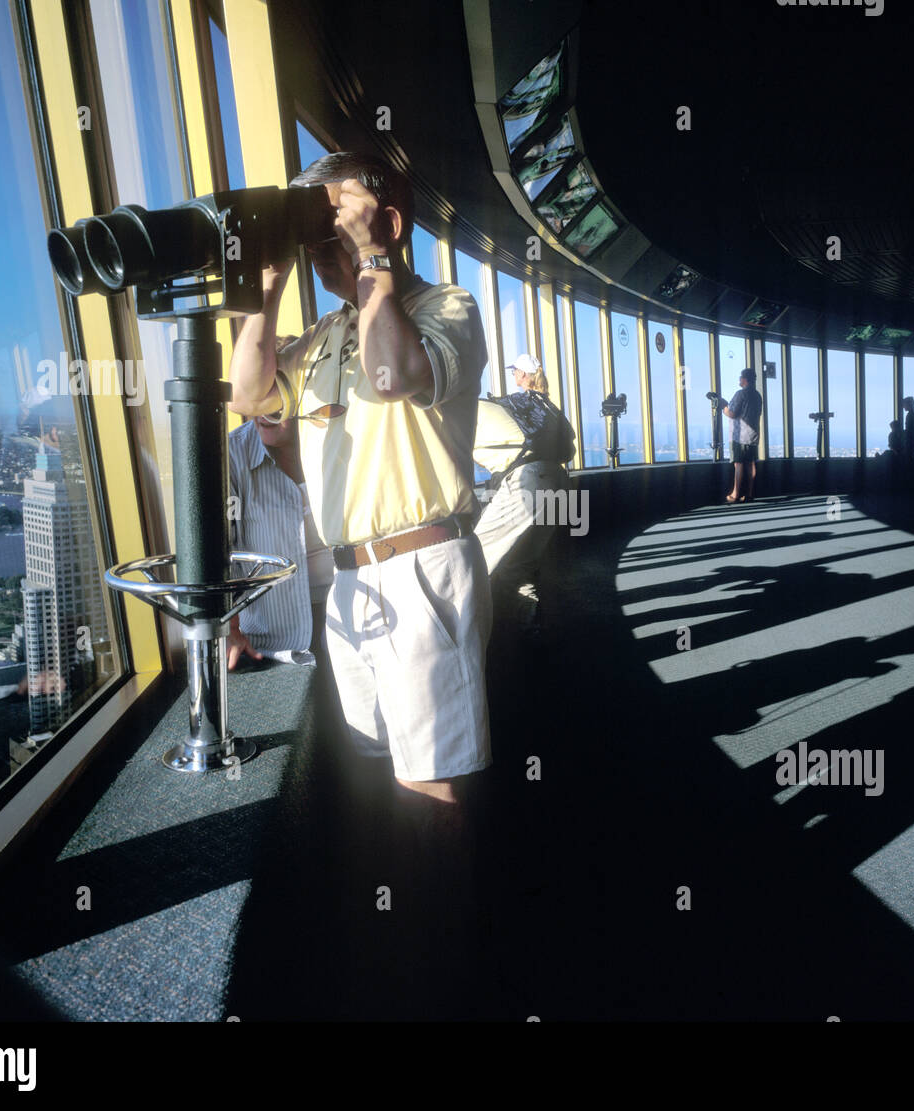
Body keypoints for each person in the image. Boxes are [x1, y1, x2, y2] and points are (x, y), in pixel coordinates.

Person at [226, 151, 491, 1001]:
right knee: (383, 775)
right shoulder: (329, 335)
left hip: (420, 567)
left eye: (337, 214)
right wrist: (265, 290)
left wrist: (371, 257)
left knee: (430, 788)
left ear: (389, 221)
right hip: (350, 585)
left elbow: (394, 375)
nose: (325, 236)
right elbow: (247, 395)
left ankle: (451, 965)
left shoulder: (443, 307)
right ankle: (406, 947)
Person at [473, 354, 575, 636]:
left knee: (476, 555)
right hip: (559, 482)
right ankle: (531, 627)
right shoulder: (549, 408)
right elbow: (570, 451)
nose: (514, 376)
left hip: (530, 482)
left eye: (515, 371)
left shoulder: (510, 405)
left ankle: (466, 635)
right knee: (522, 562)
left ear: (522, 375)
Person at [225, 412, 334, 669]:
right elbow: (220, 549)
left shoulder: (341, 438)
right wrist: (227, 624)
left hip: (361, 616)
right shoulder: (231, 456)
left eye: (273, 396)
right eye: (253, 399)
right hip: (276, 644)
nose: (262, 410)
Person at [722, 369, 762, 502]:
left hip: (740, 436)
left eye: (740, 378)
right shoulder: (757, 395)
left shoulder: (741, 394)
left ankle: (735, 494)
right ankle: (749, 494)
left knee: (738, 464)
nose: (739, 380)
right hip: (753, 435)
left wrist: (723, 408)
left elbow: (732, 413)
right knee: (751, 464)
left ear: (744, 379)